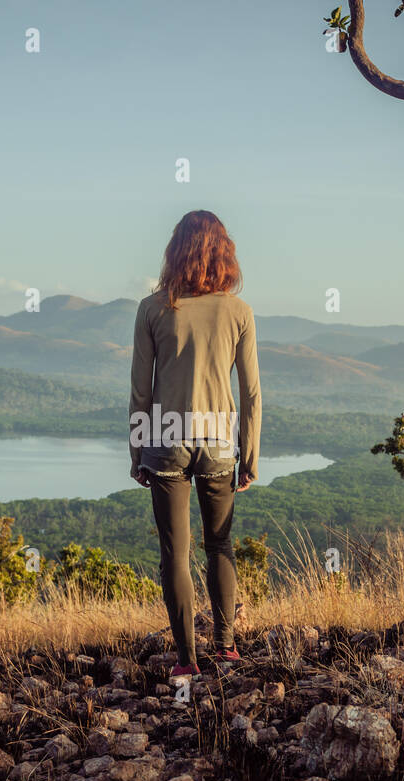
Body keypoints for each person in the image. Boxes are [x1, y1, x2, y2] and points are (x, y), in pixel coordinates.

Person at [129, 210, 261, 688]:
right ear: (224, 253)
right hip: (220, 441)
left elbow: (141, 391)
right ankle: (225, 647)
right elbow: (250, 394)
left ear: (174, 252)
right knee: (220, 543)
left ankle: (187, 660)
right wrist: (251, 456)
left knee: (175, 554)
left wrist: (136, 449)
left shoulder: (151, 308)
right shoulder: (238, 312)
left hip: (164, 439)